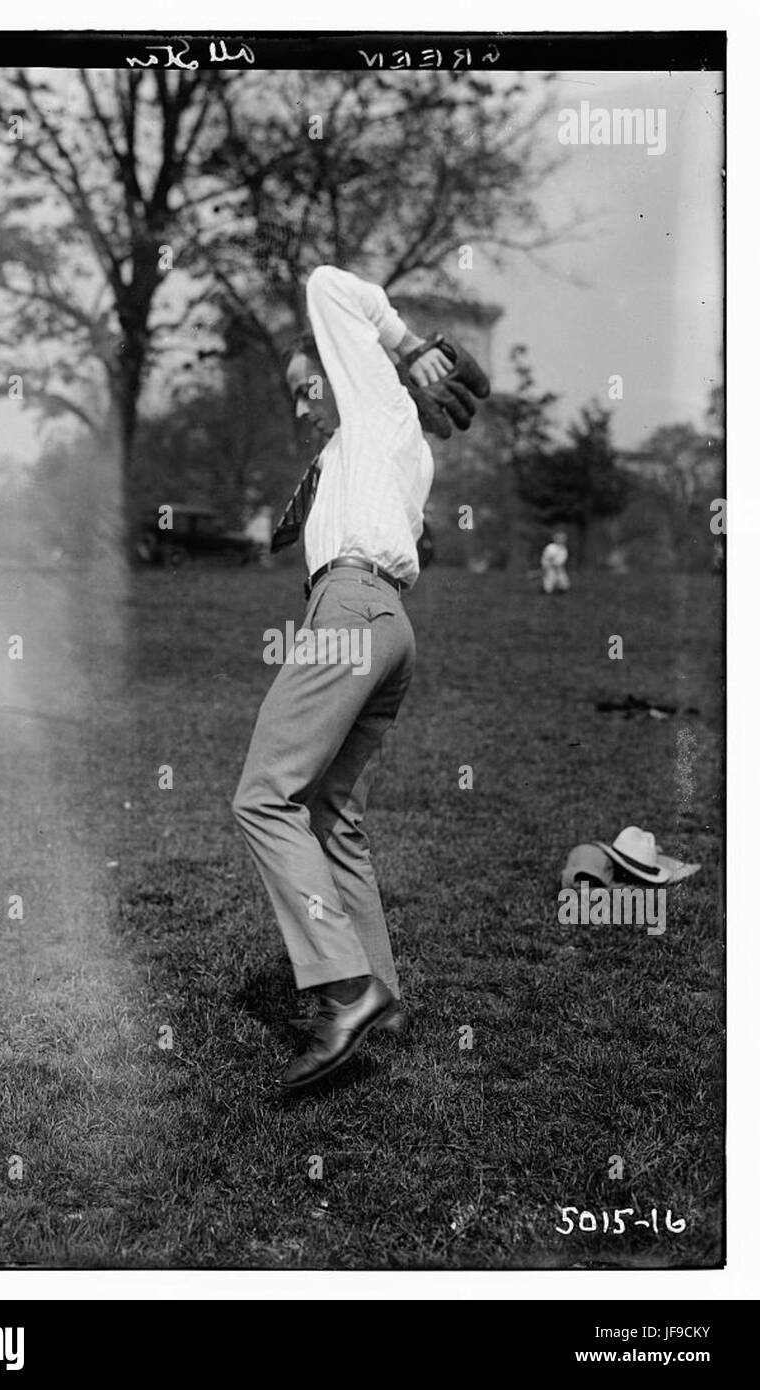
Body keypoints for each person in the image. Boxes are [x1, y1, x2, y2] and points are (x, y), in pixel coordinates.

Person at [232, 264, 454, 1090]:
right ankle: (382, 995)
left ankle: (343, 984)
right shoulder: (371, 444)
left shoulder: (374, 399)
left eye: (304, 384)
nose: (299, 403)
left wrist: (404, 346)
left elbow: (326, 280)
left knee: (263, 796)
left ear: (341, 364)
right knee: (331, 812)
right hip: (385, 622)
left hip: (352, 611)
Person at [541, 529, 570, 594]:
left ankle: (562, 590)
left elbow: (563, 558)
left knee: (562, 579)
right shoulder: (551, 547)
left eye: (562, 538)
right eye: (558, 538)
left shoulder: (563, 548)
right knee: (549, 579)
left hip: (559, 567)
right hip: (550, 568)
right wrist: (546, 565)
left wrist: (559, 564)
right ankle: (547, 591)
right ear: (554, 538)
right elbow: (546, 557)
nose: (560, 540)